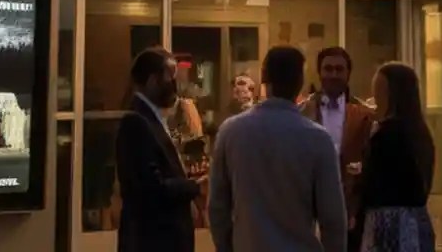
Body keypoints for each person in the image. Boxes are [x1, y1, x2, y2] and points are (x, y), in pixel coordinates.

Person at [209, 46, 347, 252]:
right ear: (300, 82)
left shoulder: (231, 132)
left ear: (264, 79)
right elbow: (333, 220)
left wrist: (227, 247)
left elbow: (218, 208)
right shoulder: (318, 139)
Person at [116, 47, 204, 252]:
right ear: (152, 81)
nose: (175, 86)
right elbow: (150, 189)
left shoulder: (155, 117)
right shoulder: (136, 122)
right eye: (169, 78)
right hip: (153, 241)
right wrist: (194, 186)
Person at [301, 47, 375, 251]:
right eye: (328, 69)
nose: (333, 74)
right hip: (310, 206)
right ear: (319, 72)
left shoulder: (364, 115)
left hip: (351, 206)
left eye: (339, 69)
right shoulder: (302, 113)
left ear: (348, 73)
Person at [358, 62, 436, 252]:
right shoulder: (418, 132)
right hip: (414, 221)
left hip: (389, 224)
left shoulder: (386, 135)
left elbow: (373, 185)